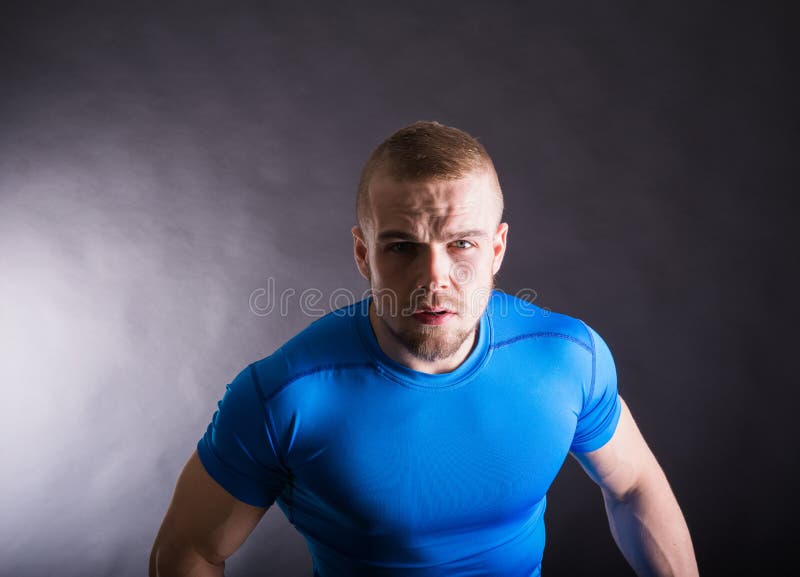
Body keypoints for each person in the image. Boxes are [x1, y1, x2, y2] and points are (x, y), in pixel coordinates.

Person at [149, 121, 699, 576]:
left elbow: (634, 486)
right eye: (403, 247)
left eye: (461, 243)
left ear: (497, 248)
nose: (435, 277)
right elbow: (189, 548)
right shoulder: (284, 397)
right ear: (364, 254)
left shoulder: (566, 356)